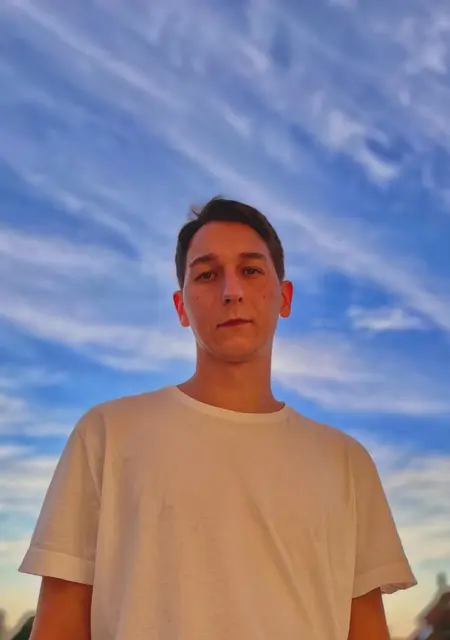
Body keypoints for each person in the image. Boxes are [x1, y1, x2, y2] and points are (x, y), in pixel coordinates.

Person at [19, 197, 417, 640]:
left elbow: (366, 629)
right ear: (181, 306)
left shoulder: (345, 462)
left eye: (251, 270)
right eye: (207, 275)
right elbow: (59, 626)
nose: (231, 291)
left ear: (284, 297)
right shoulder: (109, 434)